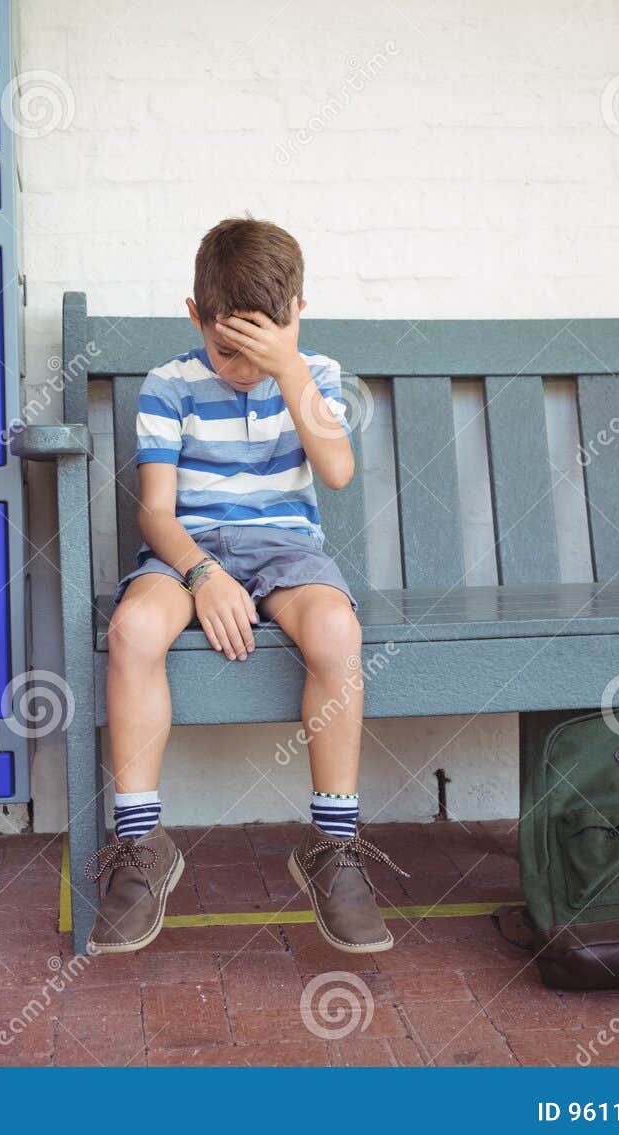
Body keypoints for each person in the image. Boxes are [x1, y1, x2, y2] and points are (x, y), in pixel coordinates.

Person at [86, 216, 404, 956]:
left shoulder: (314, 375)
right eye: (226, 348)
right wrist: (201, 573)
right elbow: (157, 512)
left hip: (287, 551)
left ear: (295, 318)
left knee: (335, 631)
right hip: (187, 550)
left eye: (261, 348)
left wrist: (289, 369)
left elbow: (337, 471)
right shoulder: (169, 385)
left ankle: (332, 842)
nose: (240, 369)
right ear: (196, 317)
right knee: (131, 631)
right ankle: (142, 846)